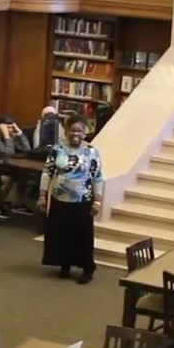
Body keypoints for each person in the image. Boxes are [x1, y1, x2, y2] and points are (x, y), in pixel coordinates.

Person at [37, 116, 105, 285]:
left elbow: (97, 177)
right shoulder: (57, 149)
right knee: (61, 234)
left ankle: (88, 268)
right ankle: (64, 264)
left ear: (85, 132)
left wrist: (97, 201)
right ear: (67, 131)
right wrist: (42, 195)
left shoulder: (91, 151)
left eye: (80, 131)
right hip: (60, 200)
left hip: (82, 201)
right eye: (73, 130)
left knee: (82, 236)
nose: (76, 134)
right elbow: (47, 172)